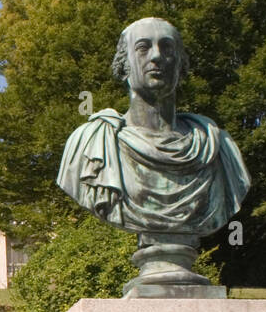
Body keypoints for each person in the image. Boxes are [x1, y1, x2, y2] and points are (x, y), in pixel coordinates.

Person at [56, 17, 250, 293]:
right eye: (143, 48)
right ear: (124, 65)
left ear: (181, 66)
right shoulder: (92, 146)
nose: (157, 56)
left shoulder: (218, 148)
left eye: (167, 48)